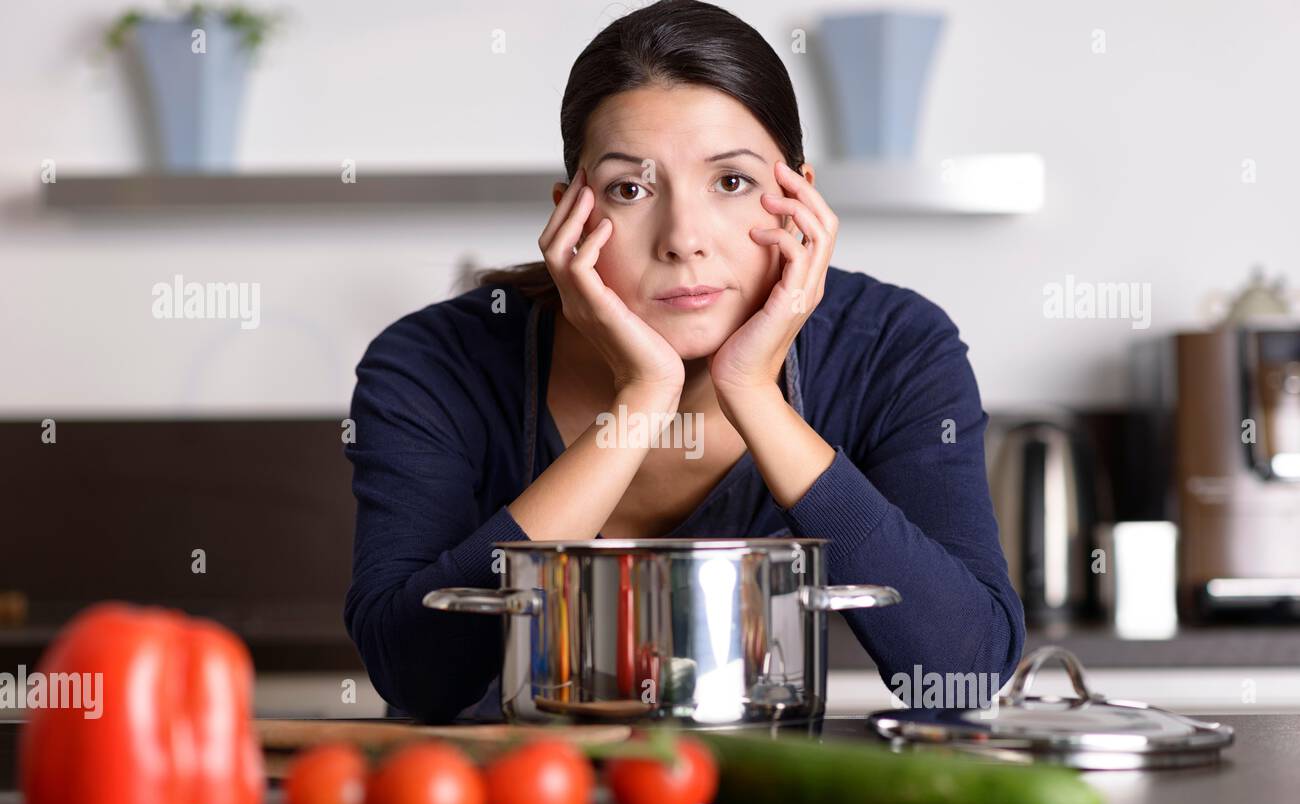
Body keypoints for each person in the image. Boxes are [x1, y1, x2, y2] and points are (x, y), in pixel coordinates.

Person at [343, 0, 1025, 722]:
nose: (683, 238)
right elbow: (417, 675)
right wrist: (639, 404)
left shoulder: (895, 348)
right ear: (571, 213)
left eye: (731, 182)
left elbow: (962, 667)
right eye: (630, 189)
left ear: (800, 198)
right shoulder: (430, 364)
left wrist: (755, 394)